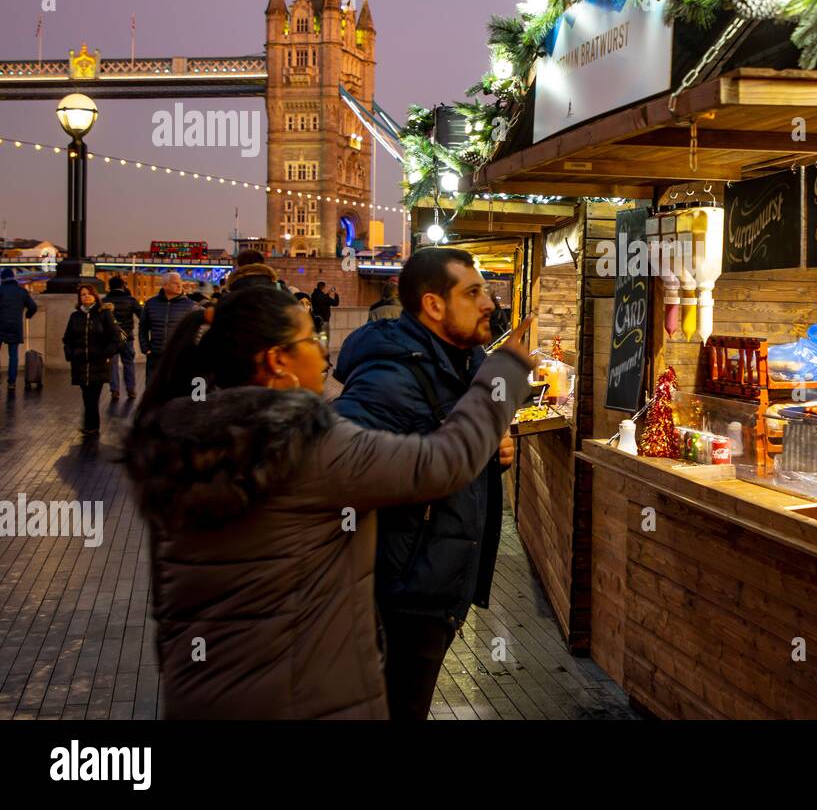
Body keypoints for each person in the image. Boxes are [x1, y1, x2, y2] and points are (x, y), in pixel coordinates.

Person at [117, 285, 534, 719]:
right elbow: (444, 463)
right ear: (278, 360)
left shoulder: (175, 447)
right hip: (306, 697)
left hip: (204, 695)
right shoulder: (308, 446)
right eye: (312, 340)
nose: (323, 354)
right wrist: (502, 374)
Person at [333, 247, 524, 721]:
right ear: (434, 306)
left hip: (438, 582)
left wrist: (488, 458)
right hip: (402, 593)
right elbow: (349, 471)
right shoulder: (390, 375)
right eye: (473, 292)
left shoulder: (464, 361)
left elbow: (447, 451)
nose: (489, 304)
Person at [63, 284, 125, 435]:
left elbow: (117, 339)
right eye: (83, 294)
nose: (86, 297)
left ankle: (91, 427)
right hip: (80, 363)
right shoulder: (75, 316)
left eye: (89, 294)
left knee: (93, 396)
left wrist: (105, 355)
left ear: (95, 296)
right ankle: (91, 425)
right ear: (79, 298)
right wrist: (70, 354)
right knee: (86, 396)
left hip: (98, 363)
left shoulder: (104, 314)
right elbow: (67, 338)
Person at [139, 272, 201, 386]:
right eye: (175, 283)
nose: (179, 286)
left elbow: (197, 328)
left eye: (180, 283)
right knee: (152, 389)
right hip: (155, 356)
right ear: (165, 285)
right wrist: (146, 348)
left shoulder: (190, 305)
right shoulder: (151, 304)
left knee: (176, 390)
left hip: (178, 357)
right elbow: (143, 327)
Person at [104, 276, 143, 400]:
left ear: (109, 287)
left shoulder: (105, 301)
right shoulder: (130, 300)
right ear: (123, 286)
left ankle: (115, 390)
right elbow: (142, 315)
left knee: (113, 364)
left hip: (111, 337)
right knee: (128, 363)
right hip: (126, 336)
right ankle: (131, 390)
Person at [0, 267, 38, 392]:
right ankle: (11, 382)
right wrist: (28, 315)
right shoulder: (21, 291)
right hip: (15, 326)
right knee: (13, 356)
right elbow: (33, 307)